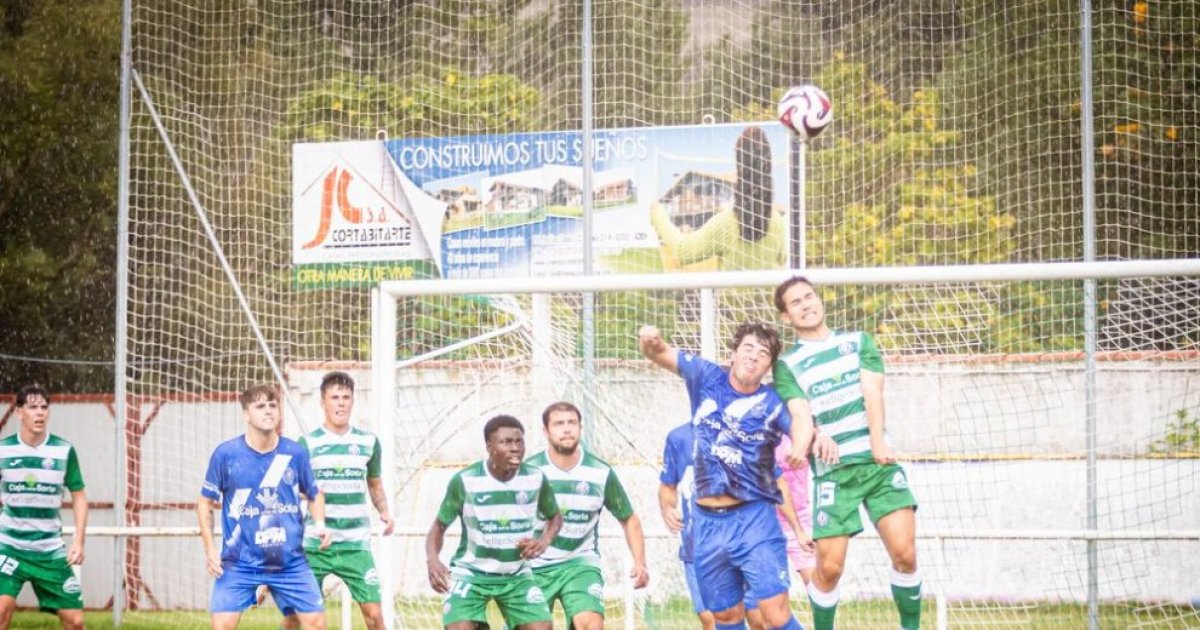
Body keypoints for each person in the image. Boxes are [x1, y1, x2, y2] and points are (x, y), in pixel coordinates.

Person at [772, 276, 921, 630]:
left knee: (905, 553)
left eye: (809, 296)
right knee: (830, 568)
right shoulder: (787, 364)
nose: (807, 304)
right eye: (796, 302)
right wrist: (805, 441)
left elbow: (873, 392)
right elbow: (800, 414)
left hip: (877, 465)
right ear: (785, 317)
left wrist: (878, 442)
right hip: (833, 474)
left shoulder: (858, 342)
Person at [639, 322, 806, 630]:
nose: (754, 356)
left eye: (764, 353)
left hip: (753, 518)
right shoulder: (705, 376)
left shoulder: (771, 403)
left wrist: (808, 440)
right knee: (725, 618)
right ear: (733, 352)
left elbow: (800, 424)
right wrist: (650, 339)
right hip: (706, 524)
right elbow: (658, 352)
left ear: (769, 365)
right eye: (748, 347)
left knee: (774, 614)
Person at [197, 383, 332, 630]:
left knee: (315, 624)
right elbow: (204, 502)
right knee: (221, 626)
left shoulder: (295, 453)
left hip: (289, 562)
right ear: (246, 414)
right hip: (240, 562)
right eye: (260, 406)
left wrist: (321, 524)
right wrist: (210, 548)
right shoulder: (226, 455)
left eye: (273, 405)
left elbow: (314, 493)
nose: (268, 410)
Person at [276, 372, 394, 630]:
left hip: (355, 545)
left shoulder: (368, 442)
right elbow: (294, 490)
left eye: (346, 397)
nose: (341, 403)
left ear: (352, 401)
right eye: (335, 397)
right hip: (314, 545)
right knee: (296, 616)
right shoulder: (307, 444)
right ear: (323, 402)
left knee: (374, 614)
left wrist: (384, 511)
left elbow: (374, 483)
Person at [425, 415, 563, 630]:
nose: (515, 448)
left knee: (541, 627)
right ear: (490, 447)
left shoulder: (536, 478)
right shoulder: (465, 480)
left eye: (519, 442)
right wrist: (432, 559)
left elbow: (555, 516)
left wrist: (543, 541)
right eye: (506, 442)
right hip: (471, 575)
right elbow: (439, 526)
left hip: (516, 575)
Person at [525, 401, 649, 630]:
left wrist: (640, 562)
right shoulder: (529, 472)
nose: (567, 429)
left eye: (572, 422)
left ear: (580, 428)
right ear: (546, 431)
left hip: (579, 563)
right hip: (534, 567)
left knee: (591, 625)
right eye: (559, 424)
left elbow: (629, 519)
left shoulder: (599, 473)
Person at [0, 385, 87, 630]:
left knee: (76, 622)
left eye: (44, 407)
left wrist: (79, 540)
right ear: (19, 412)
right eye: (32, 407)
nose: (40, 413)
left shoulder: (63, 451)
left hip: (49, 550)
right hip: (9, 548)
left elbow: (79, 497)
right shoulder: (3, 450)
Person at [650, 126, 787, 271]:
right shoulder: (777, 222)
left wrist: (658, 216)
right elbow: (784, 258)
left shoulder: (726, 224)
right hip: (769, 294)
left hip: (731, 293)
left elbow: (683, 251)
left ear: (739, 165)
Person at [774, 435, 815, 587]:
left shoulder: (802, 433)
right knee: (771, 591)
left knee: (817, 585)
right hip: (766, 520)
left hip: (801, 517)